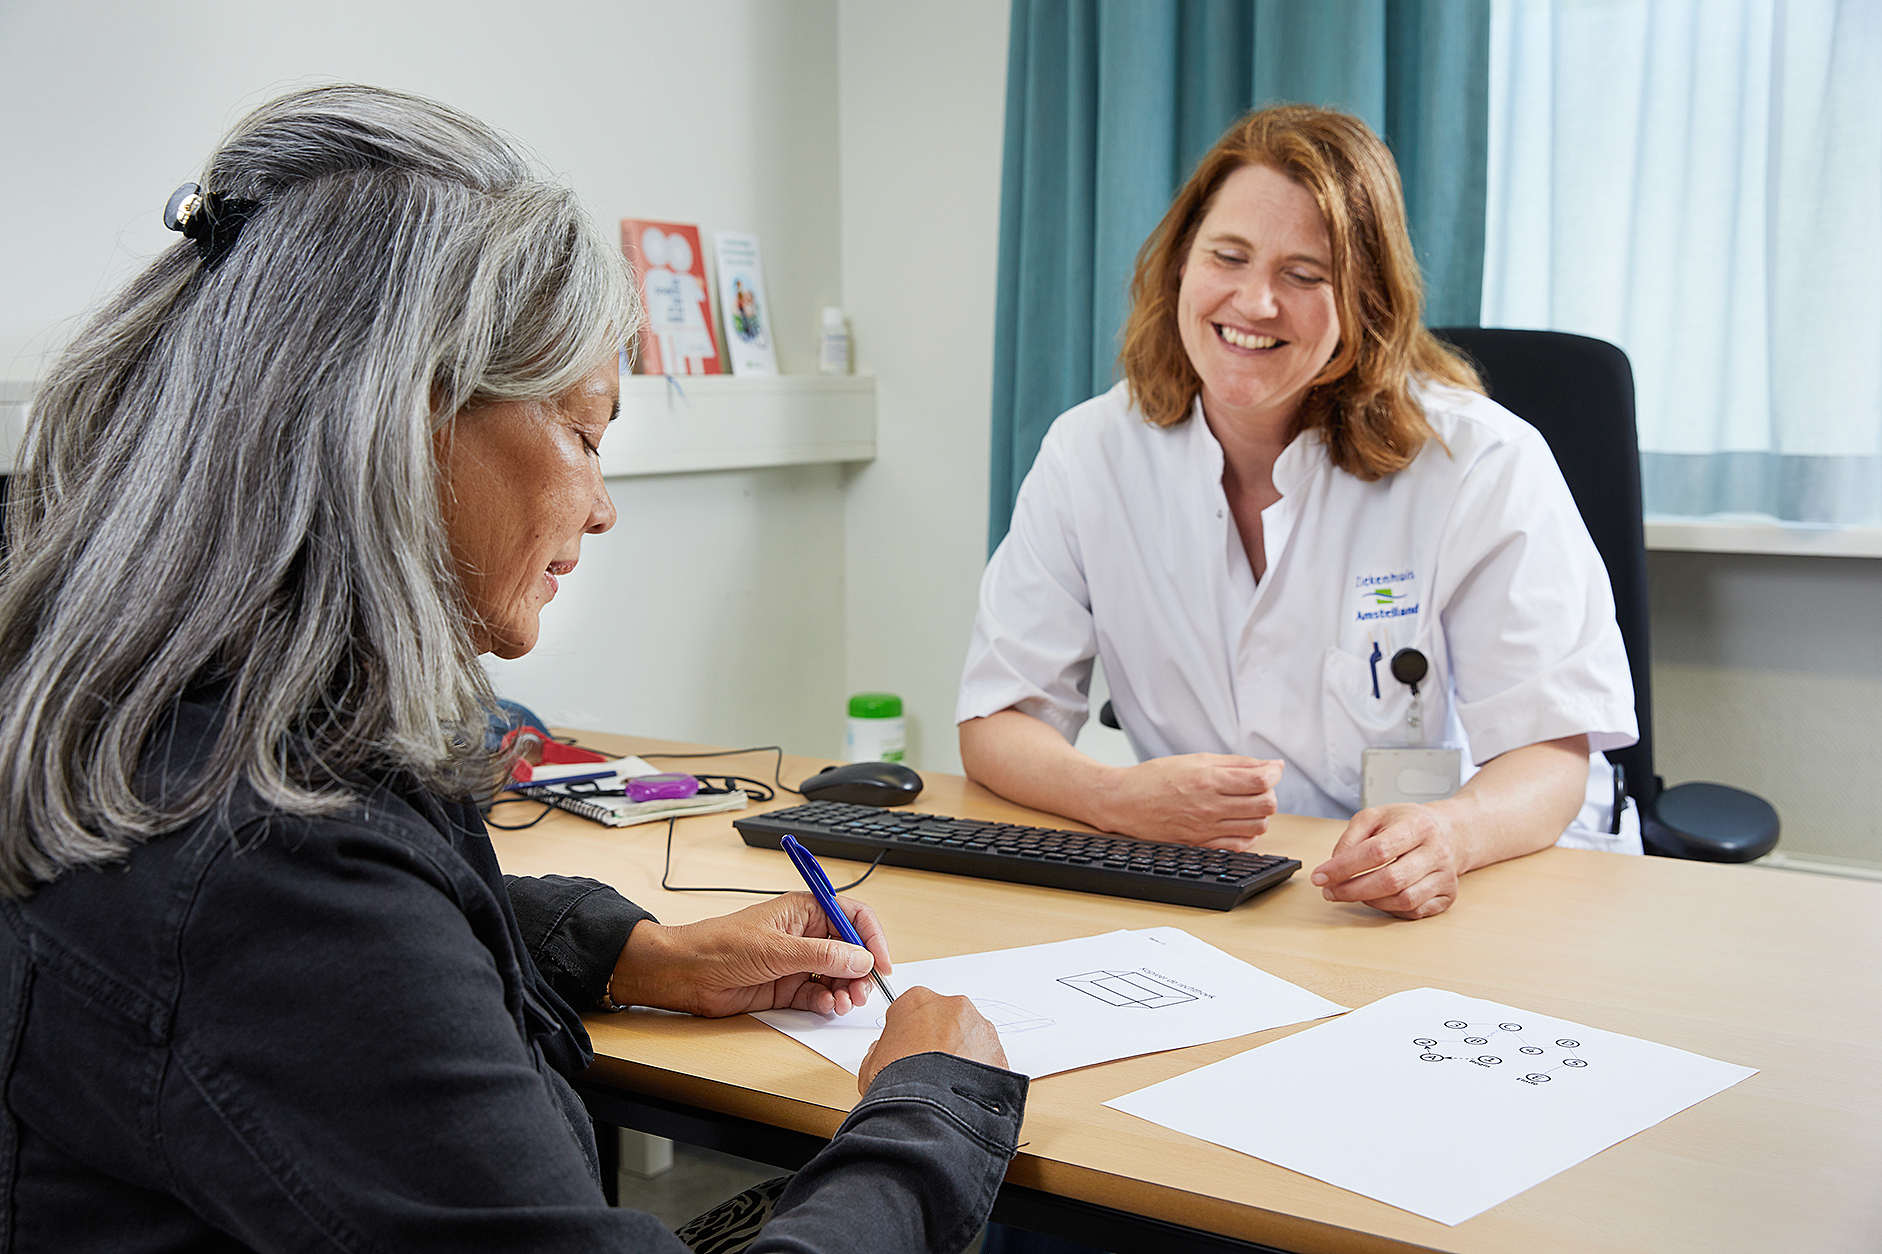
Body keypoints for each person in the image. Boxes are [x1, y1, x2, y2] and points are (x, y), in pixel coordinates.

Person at [0, 85, 1021, 1253]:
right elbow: (325, 948)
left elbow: (381, 938)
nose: (601, 507)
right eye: (583, 434)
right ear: (403, 421)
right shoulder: (269, 867)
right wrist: (929, 1110)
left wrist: (640, 955)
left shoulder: (182, 726)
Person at [957, 104, 1639, 921]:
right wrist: (1112, 797)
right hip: (1217, 894)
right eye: (1229, 256)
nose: (1255, 301)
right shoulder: (1090, 453)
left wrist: (1451, 835)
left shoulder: (1479, 461)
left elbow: (1551, 754)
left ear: (1365, 301)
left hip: (1470, 889)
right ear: (1180, 266)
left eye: (1304, 274)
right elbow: (999, 718)